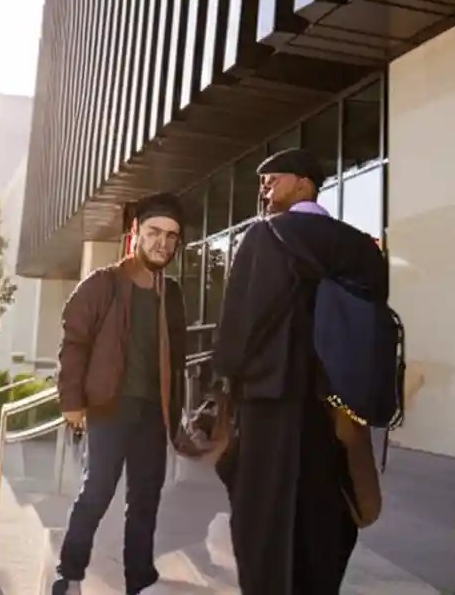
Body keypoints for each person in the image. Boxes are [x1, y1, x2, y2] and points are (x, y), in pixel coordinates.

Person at [212, 148, 388, 594]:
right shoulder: (359, 247)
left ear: (305, 184)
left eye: (274, 178)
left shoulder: (262, 238)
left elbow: (238, 322)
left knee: (262, 513)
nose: (265, 186)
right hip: (338, 407)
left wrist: (224, 386)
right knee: (327, 511)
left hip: (269, 403)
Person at [51, 193, 190, 595]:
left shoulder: (173, 293)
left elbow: (176, 360)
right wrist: (72, 401)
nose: (162, 243)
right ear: (136, 234)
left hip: (153, 412)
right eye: (154, 232)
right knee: (95, 493)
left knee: (146, 501)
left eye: (171, 236)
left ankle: (139, 582)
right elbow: (74, 342)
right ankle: (70, 574)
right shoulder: (103, 283)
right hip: (109, 407)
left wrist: (177, 413)